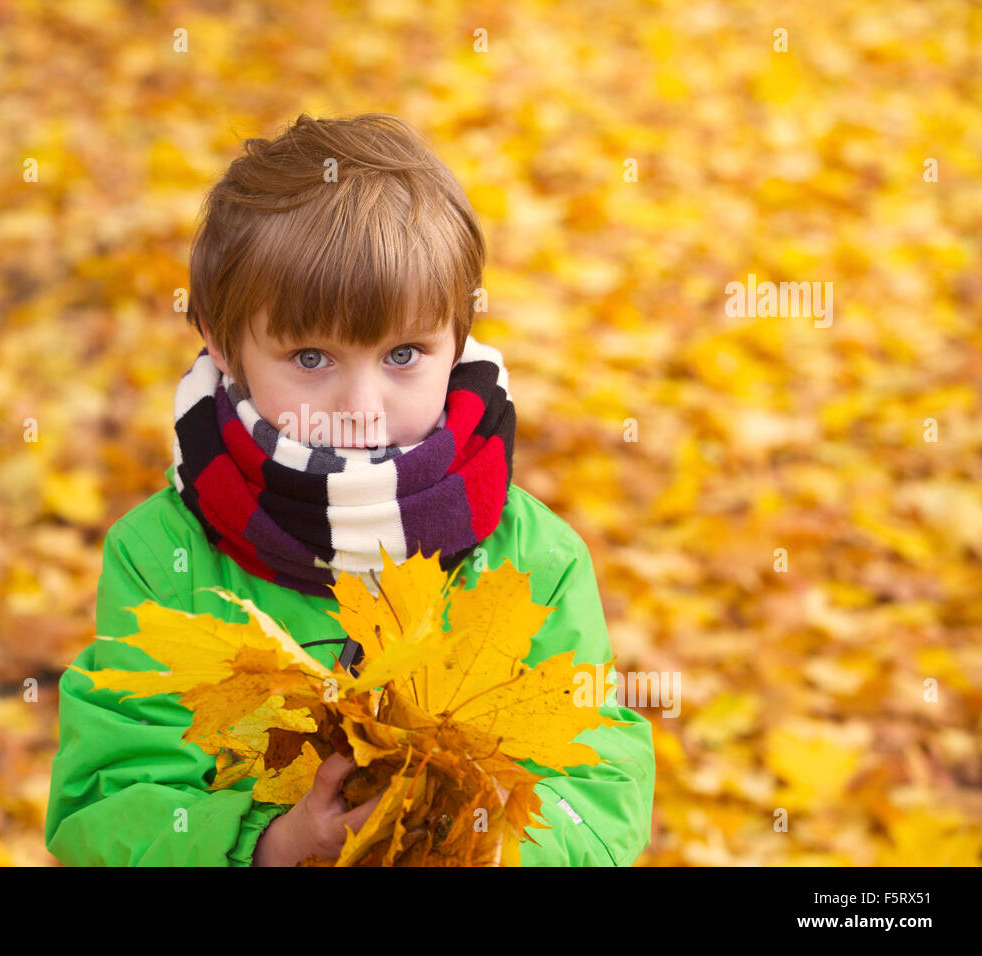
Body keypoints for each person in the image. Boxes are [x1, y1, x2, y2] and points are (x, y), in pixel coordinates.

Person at [44, 113, 654, 866]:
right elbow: (107, 798)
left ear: (458, 339)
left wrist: (490, 843)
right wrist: (273, 845)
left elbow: (599, 785)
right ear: (220, 340)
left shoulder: (533, 555)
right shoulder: (162, 555)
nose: (362, 406)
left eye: (403, 353)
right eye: (310, 357)